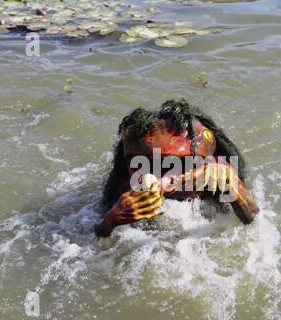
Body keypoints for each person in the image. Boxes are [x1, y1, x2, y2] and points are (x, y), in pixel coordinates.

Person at [95, 99, 259, 237]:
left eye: (179, 164)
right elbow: (96, 237)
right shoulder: (128, 188)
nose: (163, 180)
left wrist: (233, 190)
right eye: (150, 164)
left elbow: (253, 222)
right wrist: (112, 220)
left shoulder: (217, 174)